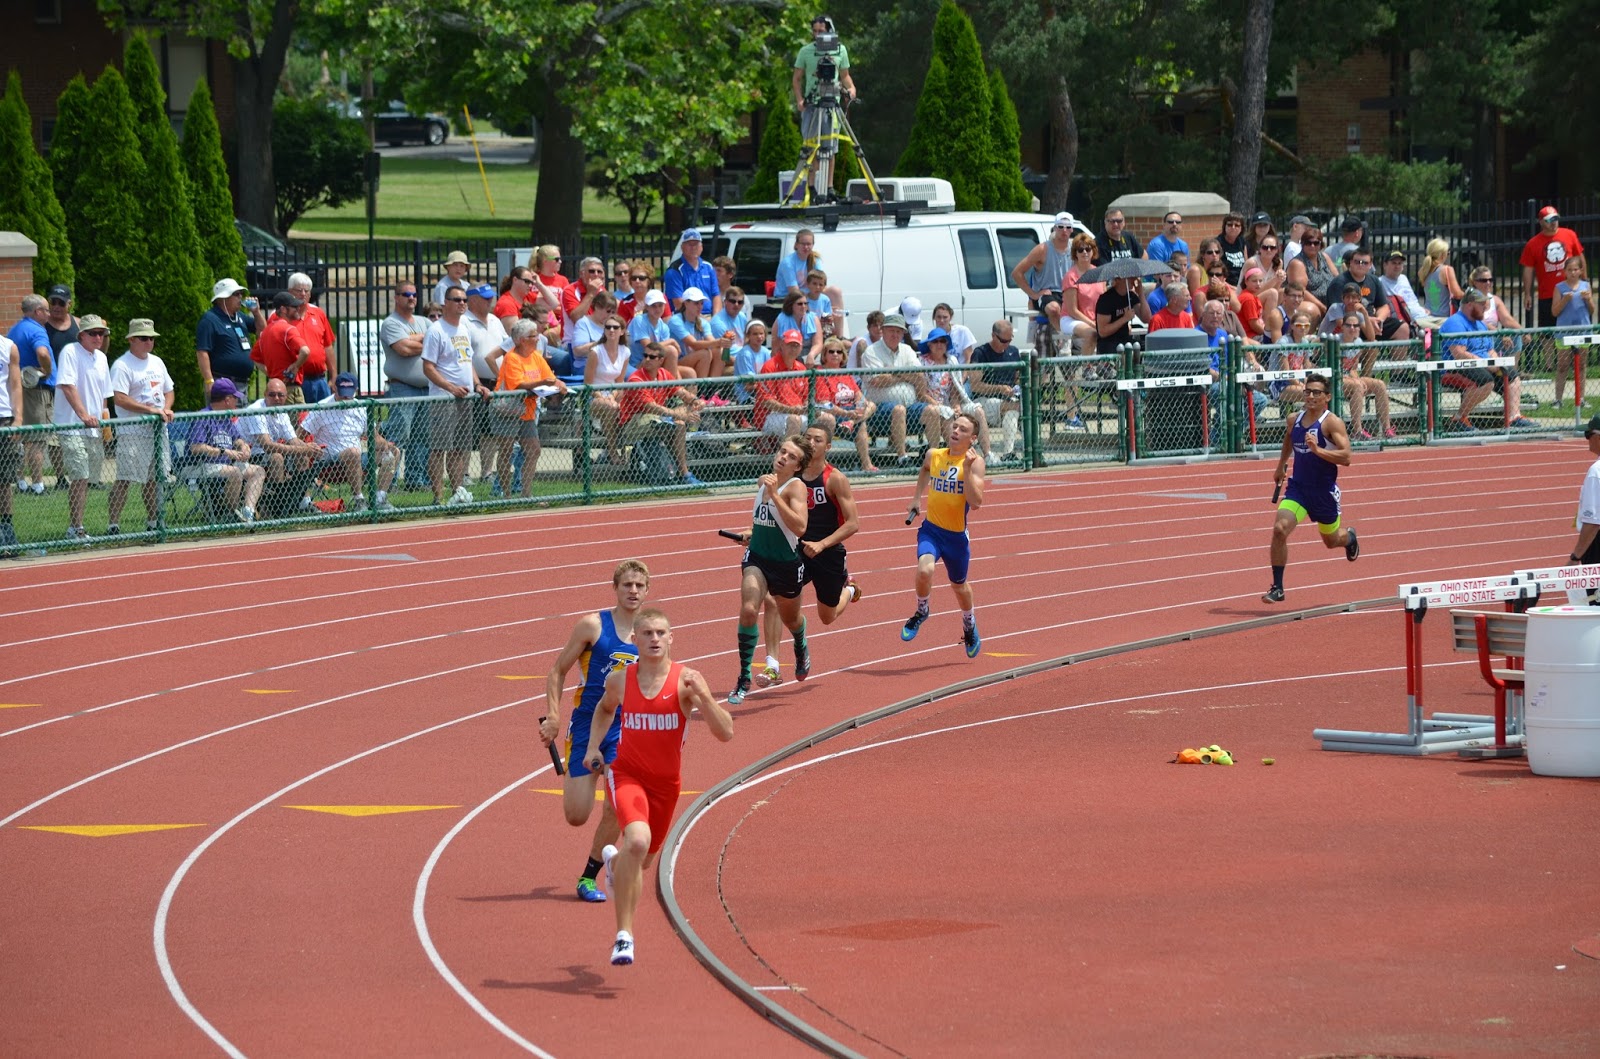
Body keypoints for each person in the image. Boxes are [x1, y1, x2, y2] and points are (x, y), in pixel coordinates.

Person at [585, 607, 733, 966]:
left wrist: (705, 697)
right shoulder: (621, 680)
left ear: (671, 638)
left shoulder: (686, 681)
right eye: (648, 633)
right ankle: (624, 937)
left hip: (666, 786)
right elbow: (604, 709)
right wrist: (593, 747)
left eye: (661, 633)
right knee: (637, 841)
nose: (654, 639)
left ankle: (616, 864)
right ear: (634, 639)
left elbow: (726, 732)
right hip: (626, 775)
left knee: (643, 861)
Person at [543, 559, 650, 903]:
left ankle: (588, 877)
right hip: (587, 724)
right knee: (576, 815)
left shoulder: (650, 635)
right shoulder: (592, 626)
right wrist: (554, 716)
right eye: (627, 585)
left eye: (639, 586)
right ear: (615, 588)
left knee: (616, 807)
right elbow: (557, 671)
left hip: (624, 730)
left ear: (647, 591)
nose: (633, 591)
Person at [753, 420, 864, 686]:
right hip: (796, 549)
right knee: (772, 599)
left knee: (827, 617)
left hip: (827, 553)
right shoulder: (791, 476)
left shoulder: (835, 479)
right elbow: (770, 511)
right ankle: (773, 666)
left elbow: (853, 523)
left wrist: (822, 544)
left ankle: (849, 590)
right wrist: (754, 533)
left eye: (818, 440)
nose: (812, 443)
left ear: (828, 447)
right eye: (808, 438)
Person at [728, 433, 815, 705]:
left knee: (792, 619)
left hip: (785, 565)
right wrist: (751, 533)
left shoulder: (795, 487)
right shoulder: (763, 481)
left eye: (791, 456)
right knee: (749, 609)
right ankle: (743, 677)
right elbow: (764, 521)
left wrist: (775, 494)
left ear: (798, 466)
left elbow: (800, 527)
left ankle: (800, 643)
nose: (783, 457)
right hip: (757, 558)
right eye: (782, 451)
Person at [1262, 376, 1358, 604]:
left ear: (1327, 397)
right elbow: (1289, 438)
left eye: (1316, 393)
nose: (1311, 396)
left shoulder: (1331, 423)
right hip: (1298, 489)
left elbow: (1346, 457)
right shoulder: (1293, 419)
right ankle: (1277, 587)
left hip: (1324, 492)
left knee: (1331, 540)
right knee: (1279, 529)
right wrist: (1281, 465)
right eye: (1307, 392)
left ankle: (1350, 538)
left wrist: (1318, 451)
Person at [900, 411, 986, 657]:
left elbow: (976, 502)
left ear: (973, 438)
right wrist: (917, 498)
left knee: (959, 586)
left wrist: (966, 469)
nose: (956, 431)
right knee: (924, 570)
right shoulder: (934, 455)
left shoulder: (975, 463)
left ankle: (969, 624)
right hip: (932, 531)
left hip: (956, 538)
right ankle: (922, 610)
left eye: (963, 430)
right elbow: (925, 469)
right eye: (954, 426)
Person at [420, 286, 493, 506]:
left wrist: (478, 384)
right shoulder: (436, 330)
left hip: (465, 398)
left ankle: (457, 492)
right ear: (446, 303)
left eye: (464, 300)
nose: (462, 303)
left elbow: (467, 362)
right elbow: (428, 367)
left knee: (460, 448)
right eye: (457, 299)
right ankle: (438, 497)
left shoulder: (464, 329)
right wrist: (451, 388)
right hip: (444, 398)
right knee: (439, 448)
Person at [105, 318, 175, 535]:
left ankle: (154, 523)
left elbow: (169, 391)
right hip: (132, 433)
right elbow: (120, 399)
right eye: (144, 338)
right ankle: (113, 525)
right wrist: (150, 410)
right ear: (132, 339)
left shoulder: (157, 362)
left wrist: (165, 409)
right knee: (125, 479)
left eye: (151, 338)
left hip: (157, 431)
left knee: (154, 479)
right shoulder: (122, 365)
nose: (149, 342)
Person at [1437, 287, 1535, 431]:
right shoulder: (1455, 322)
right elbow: (1459, 353)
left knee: (1512, 376)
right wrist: (1485, 364)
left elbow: (1490, 350)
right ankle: (1459, 419)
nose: (1485, 307)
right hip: (1455, 367)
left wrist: (1495, 362)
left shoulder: (1481, 324)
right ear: (1469, 304)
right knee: (1485, 381)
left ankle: (1514, 417)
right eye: (1481, 304)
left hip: (1483, 365)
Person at [51, 314, 112, 540]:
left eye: (101, 333)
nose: (98, 337)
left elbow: (105, 395)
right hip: (72, 425)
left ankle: (78, 525)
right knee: (80, 475)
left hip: (93, 428)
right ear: (81, 335)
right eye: (93, 333)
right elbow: (68, 386)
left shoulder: (101, 358)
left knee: (88, 478)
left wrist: (105, 422)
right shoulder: (70, 352)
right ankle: (76, 528)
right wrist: (84, 415)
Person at [301, 373, 398, 512]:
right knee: (353, 452)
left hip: (356, 457)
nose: (346, 399)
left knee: (394, 452)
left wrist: (384, 444)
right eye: (342, 394)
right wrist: (308, 447)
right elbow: (300, 435)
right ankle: (359, 500)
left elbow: (374, 436)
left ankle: (380, 499)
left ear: (355, 391)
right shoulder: (322, 407)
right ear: (335, 388)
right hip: (328, 461)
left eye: (349, 394)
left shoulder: (360, 407)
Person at [489, 319, 566, 497]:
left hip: (527, 411)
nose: (538, 339)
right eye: (534, 336)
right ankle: (506, 495)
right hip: (507, 411)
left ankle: (526, 494)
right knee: (507, 451)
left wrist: (561, 385)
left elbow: (550, 378)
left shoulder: (536, 356)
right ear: (522, 340)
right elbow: (519, 384)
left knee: (533, 450)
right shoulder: (511, 358)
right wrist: (542, 382)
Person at [617, 343, 705, 486]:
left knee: (679, 424)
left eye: (652, 357)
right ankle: (679, 473)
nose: (647, 359)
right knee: (673, 422)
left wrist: (695, 401)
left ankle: (684, 474)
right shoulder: (636, 379)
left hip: (657, 421)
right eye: (645, 355)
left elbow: (681, 392)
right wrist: (681, 415)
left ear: (661, 360)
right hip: (632, 425)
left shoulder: (664, 374)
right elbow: (651, 408)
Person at [792, 14, 857, 198]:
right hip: (812, 105)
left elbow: (844, 75)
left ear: (830, 31)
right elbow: (796, 79)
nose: (817, 34)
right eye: (814, 31)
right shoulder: (805, 51)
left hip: (831, 106)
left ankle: (829, 188)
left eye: (821, 31)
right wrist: (799, 100)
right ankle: (811, 188)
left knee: (830, 148)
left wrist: (851, 89)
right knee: (811, 148)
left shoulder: (840, 50)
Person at [187, 378, 266, 522]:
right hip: (201, 466)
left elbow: (237, 439)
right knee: (235, 472)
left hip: (225, 465)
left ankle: (248, 511)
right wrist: (224, 452)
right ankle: (229, 514)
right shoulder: (203, 416)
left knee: (258, 471)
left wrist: (243, 446)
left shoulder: (225, 417)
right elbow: (196, 447)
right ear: (227, 400)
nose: (237, 402)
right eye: (235, 398)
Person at [240, 378, 321, 516]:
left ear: (286, 396)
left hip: (266, 454)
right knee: (277, 458)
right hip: (248, 455)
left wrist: (311, 449)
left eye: (280, 395)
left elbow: (293, 440)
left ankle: (303, 501)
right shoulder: (256, 410)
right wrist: (304, 448)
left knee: (302, 456)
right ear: (265, 395)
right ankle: (276, 505)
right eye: (272, 395)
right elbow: (267, 446)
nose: (276, 398)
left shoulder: (282, 411)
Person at [379, 281, 431, 490]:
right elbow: (403, 349)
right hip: (402, 387)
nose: (411, 298)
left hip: (426, 388)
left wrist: (413, 339)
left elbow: (437, 343)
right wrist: (425, 341)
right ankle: (389, 482)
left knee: (422, 436)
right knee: (398, 435)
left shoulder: (424, 321)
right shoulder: (391, 323)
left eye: (414, 294)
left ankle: (415, 481)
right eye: (406, 294)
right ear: (396, 297)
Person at [858, 312, 929, 464]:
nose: (895, 334)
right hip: (879, 409)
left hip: (911, 405)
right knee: (899, 409)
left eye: (899, 331)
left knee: (933, 410)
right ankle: (902, 457)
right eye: (891, 330)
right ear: (883, 330)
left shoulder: (907, 350)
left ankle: (934, 456)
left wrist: (892, 371)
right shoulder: (871, 351)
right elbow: (877, 381)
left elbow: (919, 376)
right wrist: (905, 374)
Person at [8, 294, 55, 494]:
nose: (49, 314)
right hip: (37, 391)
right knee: (37, 439)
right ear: (37, 312)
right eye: (46, 310)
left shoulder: (14, 329)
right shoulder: (37, 330)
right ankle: (37, 485)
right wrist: (47, 371)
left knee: (19, 438)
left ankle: (20, 482)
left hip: (18, 390)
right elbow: (42, 353)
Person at [920, 328, 990, 457]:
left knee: (978, 410)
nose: (939, 344)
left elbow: (955, 388)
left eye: (942, 341)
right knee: (948, 414)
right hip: (930, 404)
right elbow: (921, 393)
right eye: (935, 341)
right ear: (929, 344)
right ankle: (957, 456)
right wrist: (941, 406)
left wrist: (956, 405)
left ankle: (988, 454)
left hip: (951, 402)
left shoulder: (952, 360)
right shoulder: (922, 362)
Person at [811, 338, 877, 471]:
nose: (835, 354)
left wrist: (857, 410)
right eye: (831, 351)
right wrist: (847, 413)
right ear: (824, 355)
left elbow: (860, 397)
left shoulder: (845, 374)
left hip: (852, 413)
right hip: (835, 413)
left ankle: (852, 423)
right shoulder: (821, 373)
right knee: (862, 425)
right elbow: (825, 404)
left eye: (839, 352)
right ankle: (866, 464)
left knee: (871, 405)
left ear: (843, 355)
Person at [1010, 213, 1077, 344]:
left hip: (1067, 292)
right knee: (1054, 309)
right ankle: (1064, 340)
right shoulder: (1042, 249)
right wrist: (1033, 295)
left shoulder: (1076, 249)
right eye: (1060, 226)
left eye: (1068, 227)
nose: (1064, 230)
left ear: (1072, 229)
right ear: (1055, 228)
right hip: (1047, 294)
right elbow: (1017, 273)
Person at [196, 278, 265, 396]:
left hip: (242, 383)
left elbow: (263, 329)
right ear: (223, 298)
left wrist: (256, 312)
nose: (240, 297)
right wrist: (209, 380)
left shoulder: (240, 316)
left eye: (241, 294)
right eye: (236, 294)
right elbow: (202, 352)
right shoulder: (210, 319)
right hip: (222, 382)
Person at [1521, 206, 1587, 328]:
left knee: (1576, 328)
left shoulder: (1570, 235)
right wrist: (1527, 294)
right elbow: (1528, 269)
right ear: (1541, 222)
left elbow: (1579, 257)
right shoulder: (1532, 244)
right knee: (1548, 331)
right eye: (1549, 220)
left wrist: (1584, 281)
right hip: (1547, 294)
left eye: (1555, 219)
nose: (1553, 223)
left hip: (1572, 290)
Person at [966, 321, 1022, 463]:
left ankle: (1008, 453)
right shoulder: (980, 353)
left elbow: (1018, 378)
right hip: (984, 400)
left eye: (1010, 340)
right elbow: (975, 386)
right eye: (1003, 341)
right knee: (1017, 407)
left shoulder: (1013, 351)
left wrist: (1018, 387)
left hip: (1009, 400)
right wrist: (999, 388)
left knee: (1012, 413)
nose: (1007, 344)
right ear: (993, 336)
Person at [1334, 315, 1394, 440]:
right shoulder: (1335, 341)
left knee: (1380, 384)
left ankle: (1387, 429)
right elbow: (1335, 371)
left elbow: (1353, 368)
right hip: (1334, 380)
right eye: (1348, 325)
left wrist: (1356, 378)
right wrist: (1355, 381)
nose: (1352, 328)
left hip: (1348, 378)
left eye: (1356, 325)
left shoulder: (1358, 342)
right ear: (1342, 327)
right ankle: (1357, 431)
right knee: (1357, 386)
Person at [585, 314, 633, 465]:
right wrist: (602, 397)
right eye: (608, 327)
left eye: (615, 327)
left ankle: (622, 451)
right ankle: (613, 452)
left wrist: (612, 395)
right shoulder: (596, 352)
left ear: (622, 331)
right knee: (611, 407)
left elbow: (619, 381)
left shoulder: (625, 351)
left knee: (622, 404)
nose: (611, 330)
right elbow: (588, 384)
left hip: (613, 394)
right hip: (593, 396)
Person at [253, 292, 312, 404]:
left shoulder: (265, 332)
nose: (298, 308)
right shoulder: (288, 329)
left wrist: (271, 374)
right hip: (290, 390)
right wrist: (295, 366)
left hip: (275, 389)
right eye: (294, 306)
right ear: (283, 309)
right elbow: (305, 351)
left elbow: (255, 358)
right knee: (298, 416)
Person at [1551, 257, 1594, 408]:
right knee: (1563, 366)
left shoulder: (1585, 286)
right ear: (1565, 272)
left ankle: (1581, 398)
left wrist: (1588, 299)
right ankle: (1558, 399)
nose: (1573, 273)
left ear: (1581, 271)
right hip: (1564, 332)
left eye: (1575, 270)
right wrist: (1564, 300)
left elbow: (1592, 310)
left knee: (1581, 365)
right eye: (1569, 270)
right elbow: (1555, 312)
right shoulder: (1559, 287)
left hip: (1583, 330)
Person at [286, 272, 333, 403]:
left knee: (325, 415)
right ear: (290, 292)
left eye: (306, 291)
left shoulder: (318, 314)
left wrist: (334, 375)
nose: (303, 294)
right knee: (299, 415)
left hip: (319, 380)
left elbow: (328, 346)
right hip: (295, 381)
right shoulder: (281, 316)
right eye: (299, 290)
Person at [1567, 415, 1600, 570]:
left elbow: (1593, 522)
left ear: (1598, 438)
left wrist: (1576, 557)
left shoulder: (1596, 472)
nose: (1586, 439)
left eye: (1588, 435)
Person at [663, 229, 720, 315]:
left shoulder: (708, 267)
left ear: (701, 247)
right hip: (685, 317)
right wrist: (699, 320)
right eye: (689, 244)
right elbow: (678, 303)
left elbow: (716, 295)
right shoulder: (674, 271)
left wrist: (715, 319)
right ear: (682, 247)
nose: (693, 247)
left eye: (696, 244)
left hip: (710, 316)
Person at [0, 329, 19, 550]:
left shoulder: (8, 347)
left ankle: (7, 530)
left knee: (4, 480)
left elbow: (15, 384)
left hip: (4, 418)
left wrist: (19, 417)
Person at [1418, 239, 1464, 320]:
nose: (1448, 256)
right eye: (1448, 253)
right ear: (1442, 255)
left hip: (1428, 316)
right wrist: (1470, 294)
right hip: (1443, 318)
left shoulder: (1423, 271)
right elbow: (1457, 294)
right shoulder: (1447, 270)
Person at [1216, 213, 1248, 286]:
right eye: (1230, 225)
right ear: (1224, 226)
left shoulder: (1242, 241)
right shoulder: (1218, 243)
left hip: (1241, 283)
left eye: (1237, 225)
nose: (1233, 227)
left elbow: (1246, 264)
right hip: (1225, 283)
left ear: (1241, 228)